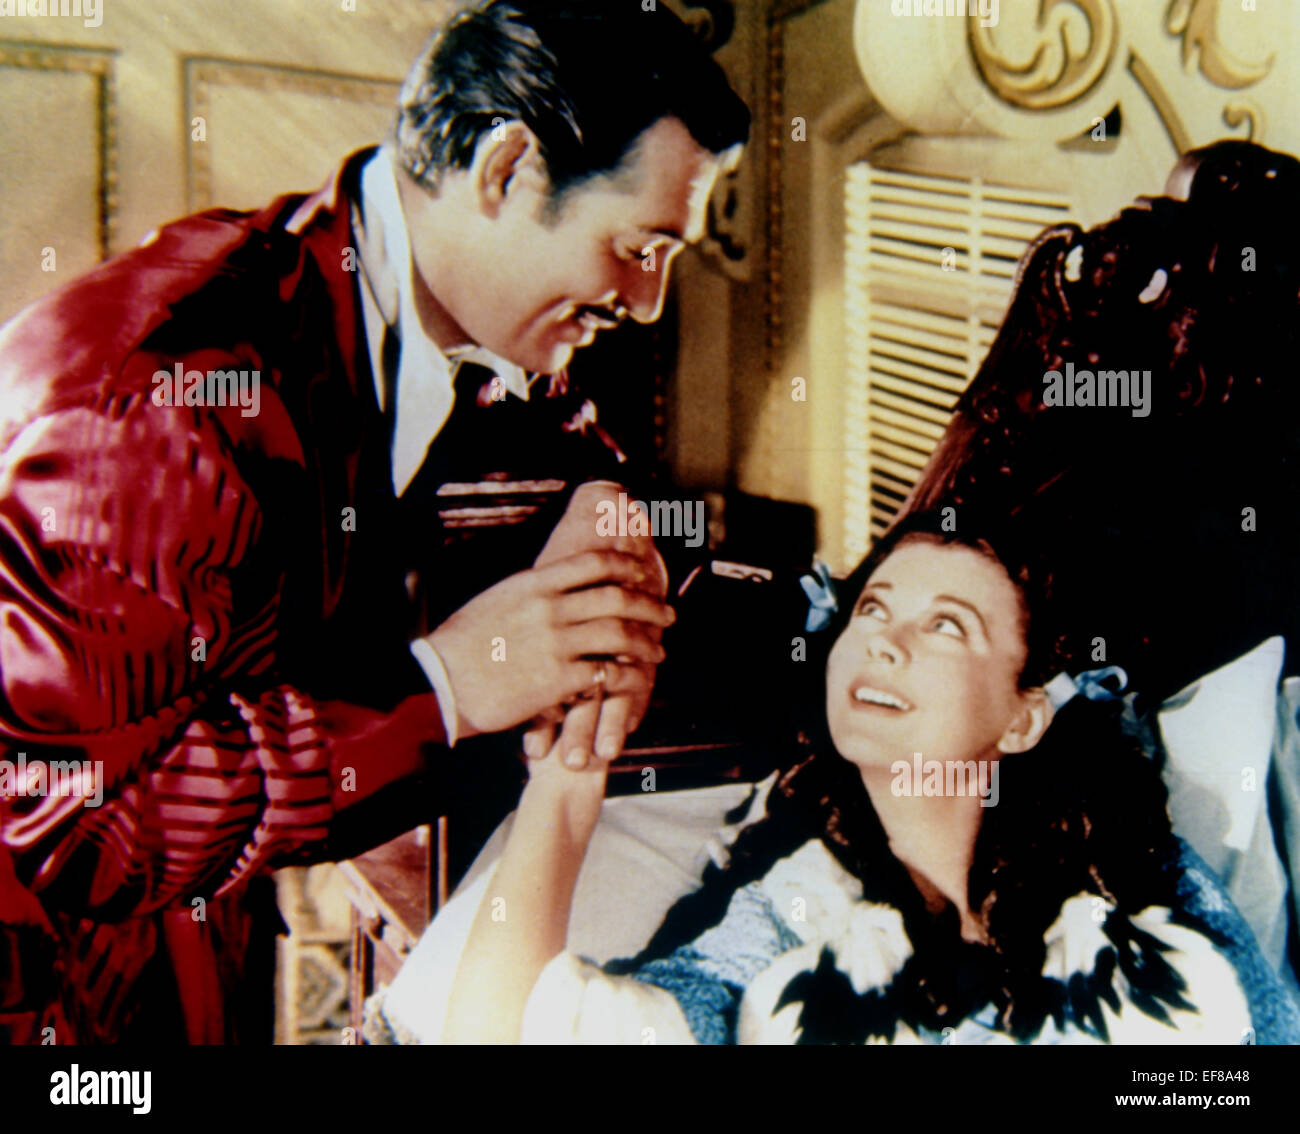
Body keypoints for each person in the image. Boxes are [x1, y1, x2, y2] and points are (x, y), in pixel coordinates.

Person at [0, 0, 749, 1043]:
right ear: (506, 168)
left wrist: (610, 517)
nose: (648, 299)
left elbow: (566, 437)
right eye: (639, 246)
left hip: (197, 923)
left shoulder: (423, 304)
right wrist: (452, 687)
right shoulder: (164, 395)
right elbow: (84, 820)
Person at [440, 511, 1260, 1044]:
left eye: (946, 626)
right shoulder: (786, 915)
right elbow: (510, 1033)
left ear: (1024, 717)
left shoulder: (1132, 877)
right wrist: (569, 776)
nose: (884, 644)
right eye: (871, 608)